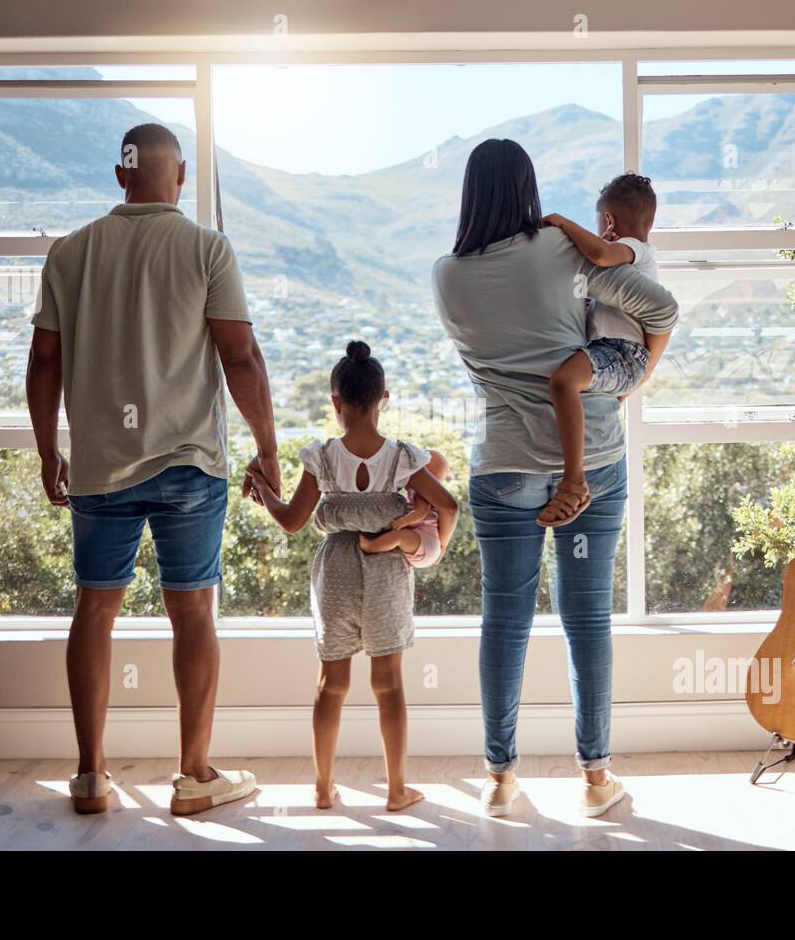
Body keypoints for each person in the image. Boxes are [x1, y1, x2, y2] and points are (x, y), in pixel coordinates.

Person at [26, 123, 279, 817]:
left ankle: (89, 776)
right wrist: (268, 445)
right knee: (192, 610)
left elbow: (44, 362)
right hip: (190, 463)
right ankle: (194, 775)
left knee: (95, 609)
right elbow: (240, 358)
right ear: (182, 176)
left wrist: (50, 452)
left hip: (102, 467)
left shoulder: (71, 252)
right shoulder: (205, 247)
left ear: (120, 175)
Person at [432, 139, 678, 818]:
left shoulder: (445, 275)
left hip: (505, 466)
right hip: (591, 459)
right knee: (586, 617)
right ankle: (596, 778)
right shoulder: (566, 252)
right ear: (528, 189)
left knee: (504, 620)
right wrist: (637, 376)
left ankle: (498, 776)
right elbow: (660, 309)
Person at [248, 341, 459, 812]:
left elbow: (291, 520)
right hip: (386, 571)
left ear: (335, 402)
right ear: (384, 399)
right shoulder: (403, 457)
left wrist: (262, 488)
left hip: (336, 571)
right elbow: (448, 504)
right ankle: (397, 790)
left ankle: (323, 788)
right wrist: (432, 547)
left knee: (331, 684)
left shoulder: (321, 457)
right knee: (389, 685)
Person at [538, 173, 672, 527]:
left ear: (609, 220)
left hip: (623, 353)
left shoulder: (636, 250)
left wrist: (562, 222)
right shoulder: (627, 262)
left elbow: (599, 253)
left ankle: (574, 482)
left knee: (562, 383)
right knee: (565, 385)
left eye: (600, 222)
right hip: (615, 352)